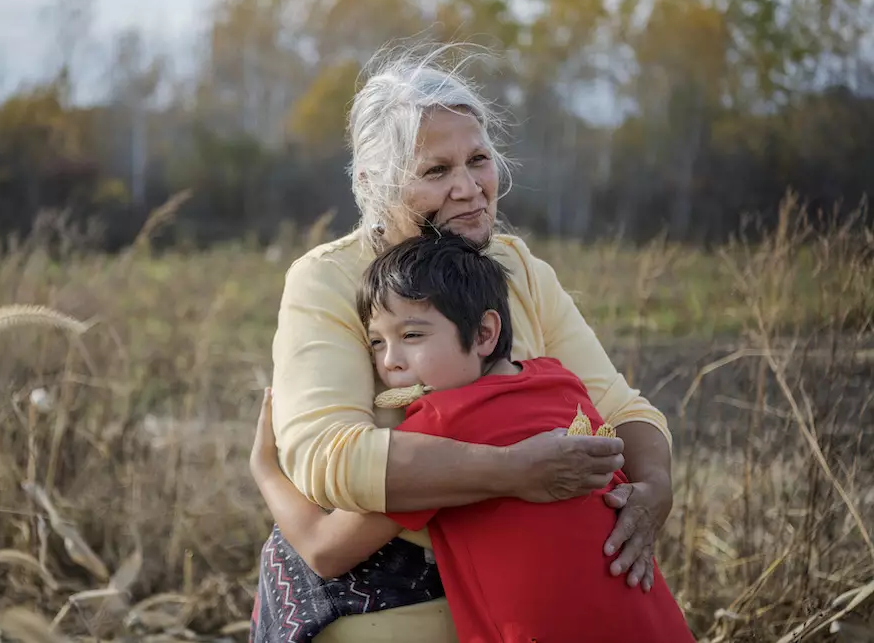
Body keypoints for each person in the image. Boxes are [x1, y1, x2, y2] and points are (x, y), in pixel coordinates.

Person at [253, 42, 674, 643]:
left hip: (537, 575)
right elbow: (333, 459)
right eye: (435, 171)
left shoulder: (517, 266)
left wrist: (655, 489)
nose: (469, 187)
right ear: (373, 183)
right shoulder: (327, 279)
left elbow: (618, 407)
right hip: (390, 591)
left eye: (478, 160)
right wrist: (510, 471)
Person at [250, 232, 695, 643]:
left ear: (485, 333)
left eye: (412, 336)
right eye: (377, 344)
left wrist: (266, 470)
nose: (391, 365)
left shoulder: (445, 425)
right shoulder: (559, 383)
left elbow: (324, 549)